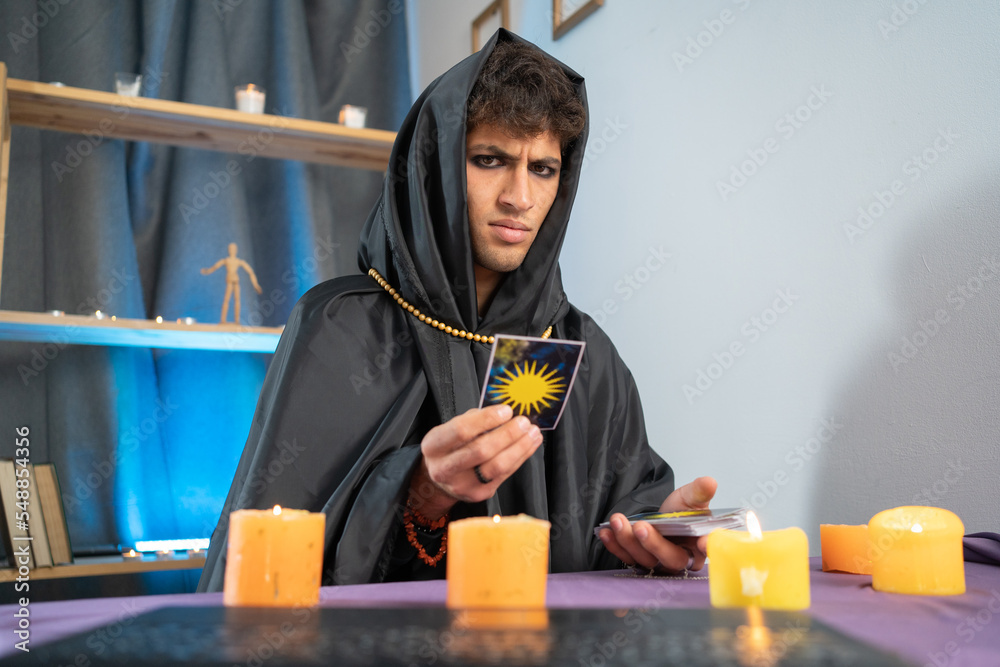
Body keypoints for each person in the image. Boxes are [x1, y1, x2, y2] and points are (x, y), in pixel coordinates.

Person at [198, 29, 716, 591]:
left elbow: (620, 516)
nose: (519, 196)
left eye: (542, 168)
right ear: (434, 170)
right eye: (490, 160)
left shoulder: (580, 350)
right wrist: (419, 489)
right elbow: (268, 567)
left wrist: (659, 533)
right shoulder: (340, 327)